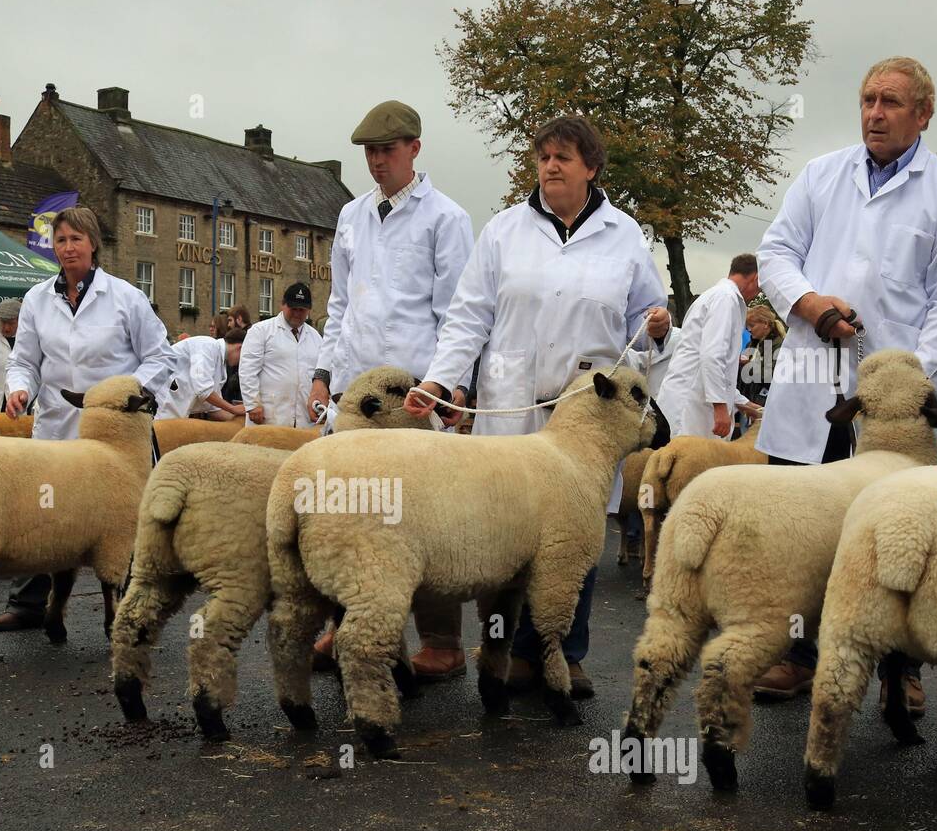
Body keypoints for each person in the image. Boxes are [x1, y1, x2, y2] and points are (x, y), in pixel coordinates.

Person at [407, 114, 668, 699]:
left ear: (591, 168)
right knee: (507, 532)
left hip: (584, 417)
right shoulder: (503, 230)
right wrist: (442, 382)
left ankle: (561, 653)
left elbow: (645, 322)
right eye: (543, 156)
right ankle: (502, 650)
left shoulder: (625, 235)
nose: (550, 166)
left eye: (563, 158)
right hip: (513, 406)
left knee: (573, 538)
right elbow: (469, 315)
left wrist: (657, 326)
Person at [752, 56, 937, 710]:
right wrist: (811, 303)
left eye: (890, 102)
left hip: (893, 400)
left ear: (923, 115)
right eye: (867, 100)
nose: (874, 113)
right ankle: (798, 652)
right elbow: (776, 253)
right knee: (803, 527)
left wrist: (907, 378)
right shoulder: (822, 176)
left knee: (899, 532)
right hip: (811, 381)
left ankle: (900, 670)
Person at [308, 99, 476, 679]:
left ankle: (442, 642)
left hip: (413, 394)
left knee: (421, 518)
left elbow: (459, 313)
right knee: (351, 512)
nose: (376, 162)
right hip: (356, 396)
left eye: (387, 150)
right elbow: (337, 305)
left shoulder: (445, 218)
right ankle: (350, 627)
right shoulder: (351, 216)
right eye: (369, 152)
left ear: (414, 149)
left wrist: (449, 387)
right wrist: (324, 374)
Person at [0, 205, 179, 632]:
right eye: (61, 240)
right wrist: (19, 387)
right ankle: (28, 604)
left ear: (93, 244)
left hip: (117, 429)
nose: (68, 247)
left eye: (76, 239)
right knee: (43, 512)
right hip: (57, 422)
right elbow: (25, 360)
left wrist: (133, 395)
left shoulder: (125, 297)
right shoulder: (38, 299)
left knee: (123, 517)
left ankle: (132, 609)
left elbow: (160, 356)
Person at [654, 254, 764, 439]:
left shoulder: (719, 297)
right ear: (756, 278)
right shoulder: (725, 299)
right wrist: (720, 407)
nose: (758, 294)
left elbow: (723, 370)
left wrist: (746, 405)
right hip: (690, 409)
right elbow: (712, 356)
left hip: (694, 402)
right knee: (688, 465)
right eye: (760, 287)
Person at [238, 283, 321, 428]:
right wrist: (252, 404)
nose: (297, 313)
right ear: (283, 305)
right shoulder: (261, 331)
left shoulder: (316, 337)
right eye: (293, 308)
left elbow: (321, 375)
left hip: (304, 418)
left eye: (301, 310)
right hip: (268, 416)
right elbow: (248, 370)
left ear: (309, 310)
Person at [157, 329, 247, 419]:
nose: (241, 362)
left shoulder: (219, 363)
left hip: (173, 410)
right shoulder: (207, 345)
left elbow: (214, 410)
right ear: (240, 348)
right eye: (245, 357)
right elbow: (203, 390)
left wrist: (242, 421)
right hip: (161, 405)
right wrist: (233, 409)